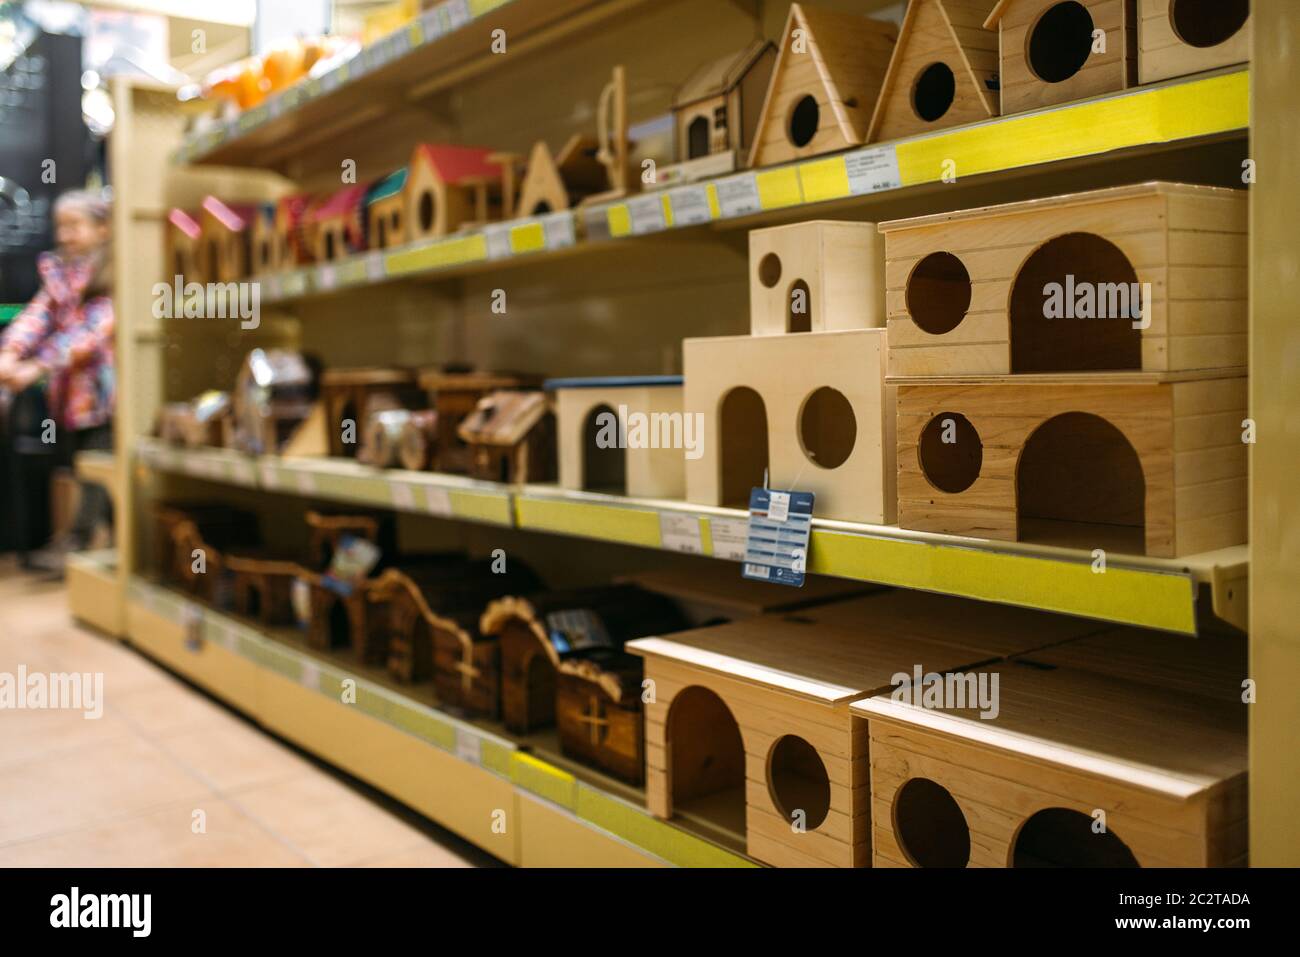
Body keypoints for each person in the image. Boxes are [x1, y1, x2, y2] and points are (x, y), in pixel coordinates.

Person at [0, 189, 115, 574]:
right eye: (60, 226)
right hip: (70, 401)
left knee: (97, 469)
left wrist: (38, 367)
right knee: (81, 465)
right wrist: (11, 351)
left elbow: (91, 332)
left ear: (102, 229)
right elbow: (37, 315)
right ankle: (100, 544)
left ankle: (81, 541)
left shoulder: (114, 272)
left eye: (74, 226)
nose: (64, 235)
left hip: (104, 398)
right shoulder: (60, 273)